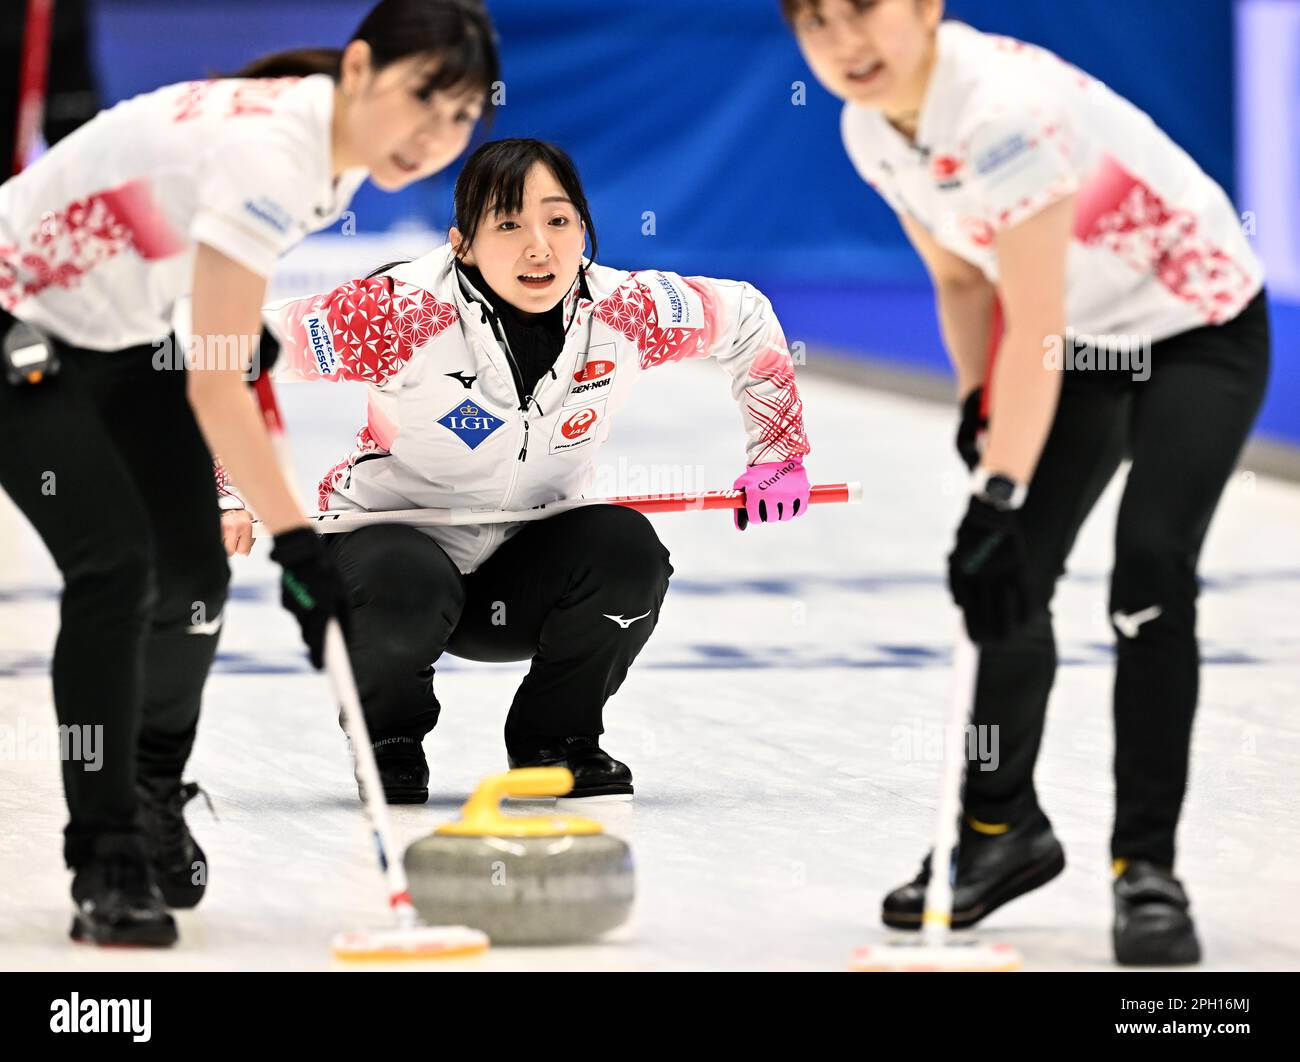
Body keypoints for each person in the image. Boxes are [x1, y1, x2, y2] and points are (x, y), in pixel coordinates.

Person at [0, 0, 500, 947]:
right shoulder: (278, 155)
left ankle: (150, 791)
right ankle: (102, 852)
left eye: (462, 115)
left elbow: (210, 309)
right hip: (17, 321)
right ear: (359, 71)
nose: (433, 137)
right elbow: (216, 390)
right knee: (114, 568)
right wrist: (303, 550)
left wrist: (241, 341)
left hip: (115, 330)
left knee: (192, 575)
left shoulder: (327, 143)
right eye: (420, 99)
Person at [783, 0, 1269, 964]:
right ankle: (1003, 836)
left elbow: (1035, 317)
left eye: (864, 13)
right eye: (816, 22)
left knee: (1149, 578)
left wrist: (1001, 489)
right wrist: (978, 408)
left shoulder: (1003, 107)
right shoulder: (869, 127)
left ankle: (1147, 870)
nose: (844, 44)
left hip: (1197, 328)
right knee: (1002, 586)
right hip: (1080, 342)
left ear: (925, 8)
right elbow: (967, 281)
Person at [219, 138, 814, 804]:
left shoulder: (625, 310)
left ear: (583, 231)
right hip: (387, 562)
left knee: (628, 553)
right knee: (401, 582)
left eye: (559, 221)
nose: (540, 247)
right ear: (461, 242)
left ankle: (556, 742)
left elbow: (747, 319)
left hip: (523, 574)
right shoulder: (397, 312)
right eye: (508, 224)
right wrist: (225, 489)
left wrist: (778, 452)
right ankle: (388, 738)